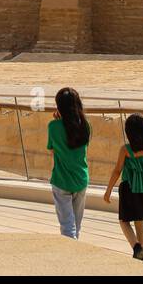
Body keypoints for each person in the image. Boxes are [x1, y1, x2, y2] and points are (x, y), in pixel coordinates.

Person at [103, 110, 143, 261]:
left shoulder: (126, 150)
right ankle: (141, 255)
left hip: (130, 189)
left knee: (124, 221)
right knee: (140, 222)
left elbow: (117, 171)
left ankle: (136, 247)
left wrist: (108, 191)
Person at [47, 86, 91, 239]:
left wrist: (58, 122)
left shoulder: (53, 127)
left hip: (62, 180)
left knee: (67, 226)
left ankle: (70, 255)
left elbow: (52, 150)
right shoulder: (85, 125)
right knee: (76, 226)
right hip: (81, 179)